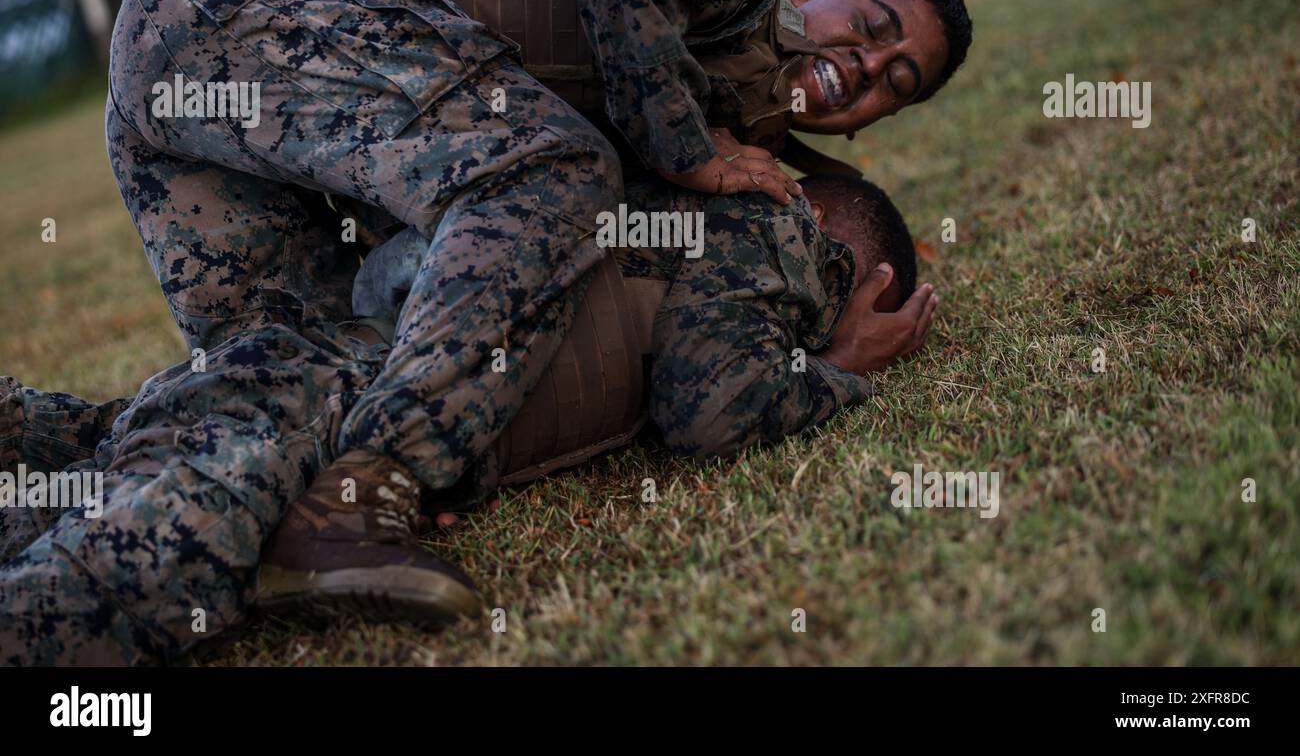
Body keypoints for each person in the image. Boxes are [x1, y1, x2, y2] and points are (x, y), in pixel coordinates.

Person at [0, 176, 929, 664]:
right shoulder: (784, 235)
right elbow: (714, 408)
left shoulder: (648, 204)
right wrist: (838, 366)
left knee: (92, 475)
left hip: (293, 373)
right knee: (128, 582)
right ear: (858, 266)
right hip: (314, 398)